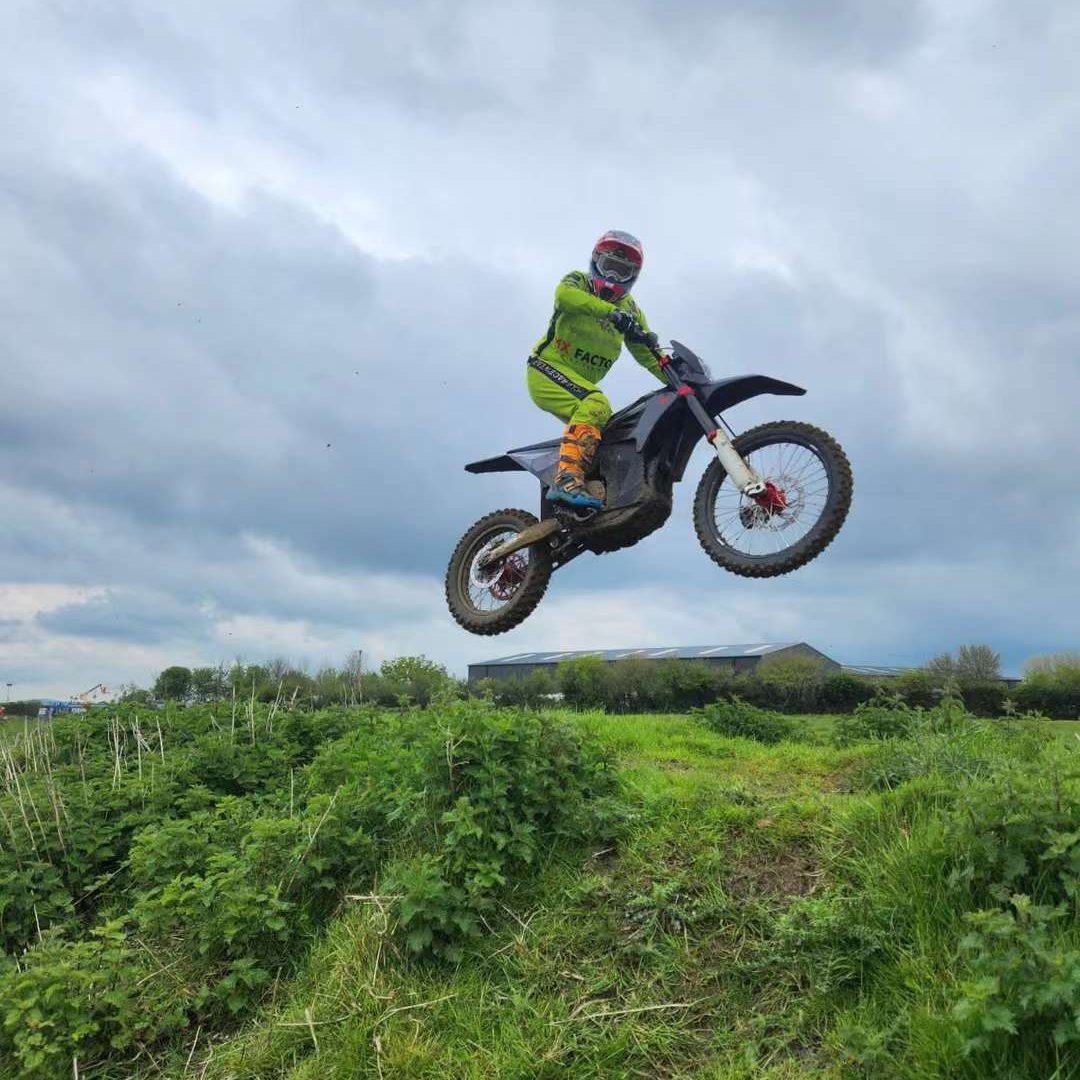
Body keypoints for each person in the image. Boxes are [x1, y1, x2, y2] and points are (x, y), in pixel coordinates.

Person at [527, 230, 665, 509]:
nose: (613, 276)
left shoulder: (631, 310)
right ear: (595, 261)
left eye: (622, 271)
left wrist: (683, 377)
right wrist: (608, 312)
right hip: (547, 369)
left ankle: (597, 492)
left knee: (616, 430)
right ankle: (566, 479)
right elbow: (564, 297)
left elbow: (648, 356)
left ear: (633, 276)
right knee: (596, 403)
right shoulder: (577, 282)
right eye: (608, 266)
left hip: (579, 383)